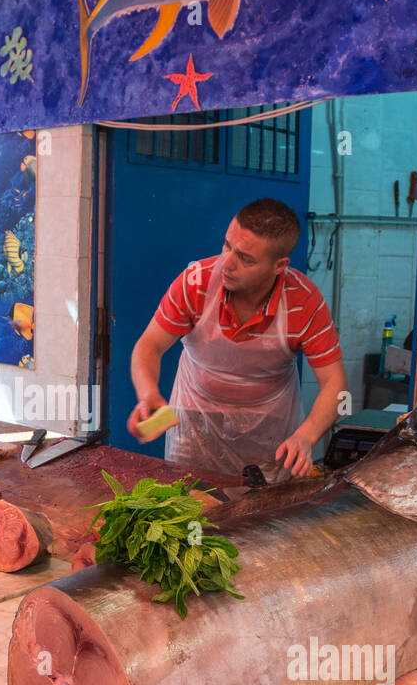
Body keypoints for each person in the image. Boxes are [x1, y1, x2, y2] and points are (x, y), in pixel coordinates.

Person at [127, 198, 348, 482]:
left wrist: (306, 436)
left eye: (245, 258)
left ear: (279, 265)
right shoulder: (195, 283)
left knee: (260, 518)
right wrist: (148, 394)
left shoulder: (303, 301)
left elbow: (337, 386)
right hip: (195, 425)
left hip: (269, 433)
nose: (227, 264)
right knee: (191, 512)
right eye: (227, 245)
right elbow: (149, 345)